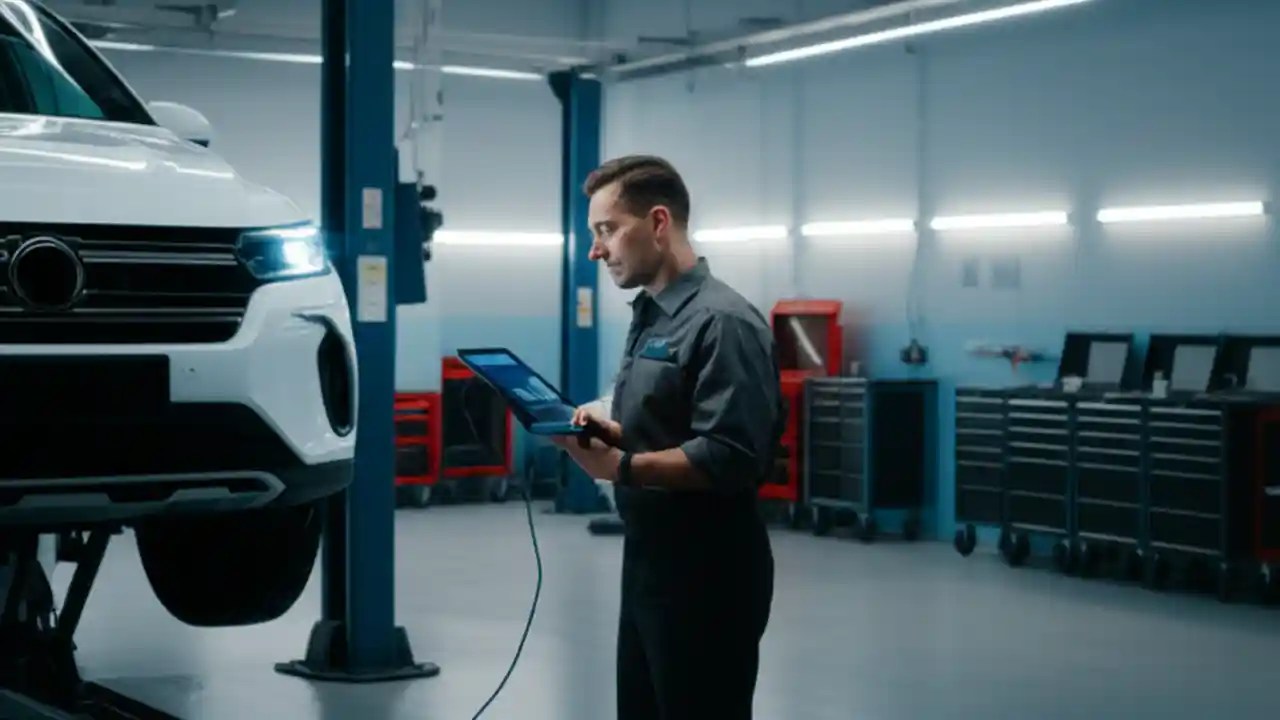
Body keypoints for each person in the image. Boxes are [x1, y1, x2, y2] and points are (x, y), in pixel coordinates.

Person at [551, 155, 782, 720]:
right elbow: (665, 424)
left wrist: (621, 468)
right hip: (649, 559)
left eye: (607, 230)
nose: (595, 250)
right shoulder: (653, 316)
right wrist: (611, 434)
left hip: (709, 570)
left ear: (658, 222)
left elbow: (729, 453)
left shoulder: (723, 322)